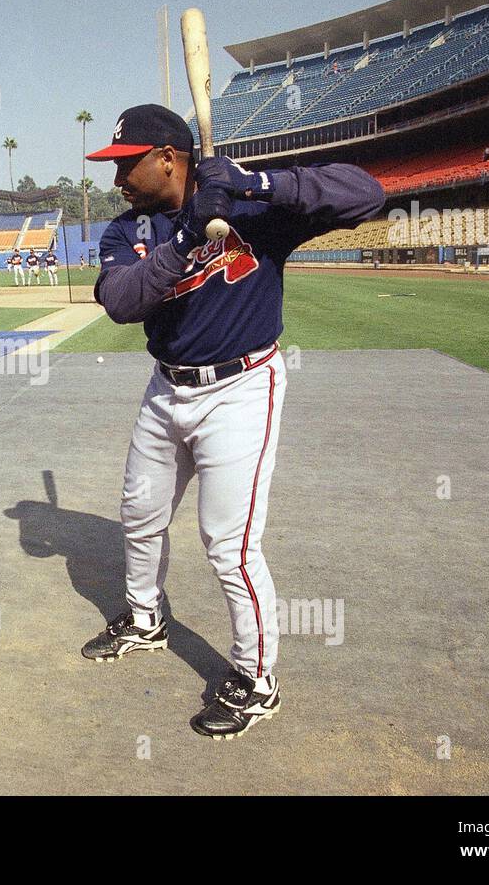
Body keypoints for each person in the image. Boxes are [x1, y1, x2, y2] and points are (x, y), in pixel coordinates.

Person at [80, 103, 384, 740]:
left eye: (125, 165)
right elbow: (122, 302)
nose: (117, 180)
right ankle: (143, 620)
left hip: (242, 388)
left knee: (229, 544)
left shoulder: (249, 206)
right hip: (166, 390)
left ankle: (255, 677)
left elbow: (367, 193)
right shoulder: (127, 230)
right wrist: (189, 239)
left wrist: (257, 183)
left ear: (169, 158)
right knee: (139, 512)